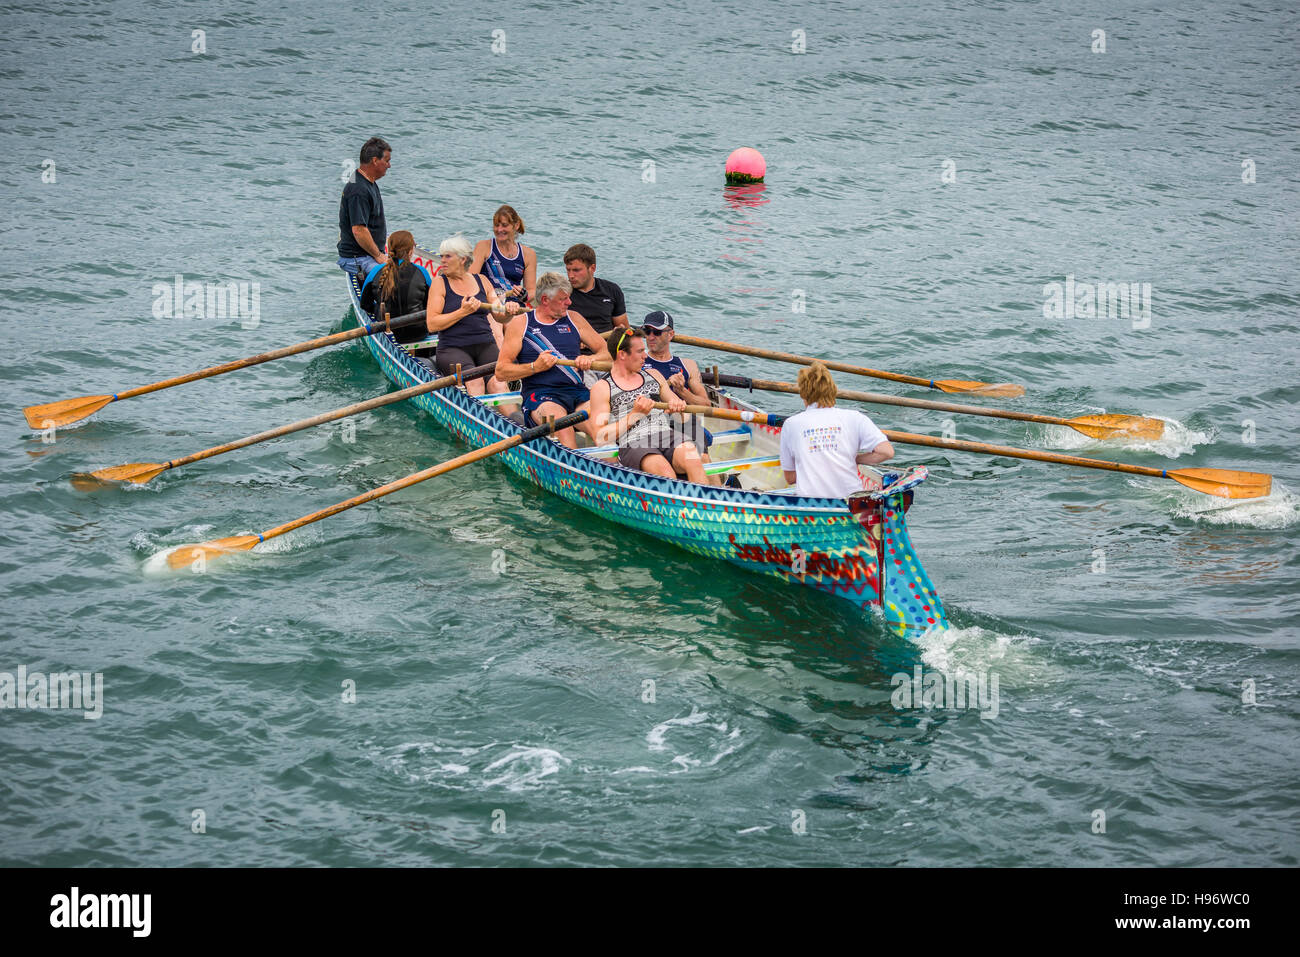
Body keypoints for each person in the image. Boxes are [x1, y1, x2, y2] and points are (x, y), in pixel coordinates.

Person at [495, 272, 611, 448]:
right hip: (541, 395)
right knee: (562, 426)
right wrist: (535, 367)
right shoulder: (521, 324)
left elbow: (607, 353)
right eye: (563, 299)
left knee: (602, 428)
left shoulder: (574, 319)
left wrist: (590, 358)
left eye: (568, 298)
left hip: (577, 392)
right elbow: (501, 371)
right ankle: (571, 471)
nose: (569, 303)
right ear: (545, 300)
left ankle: (611, 471)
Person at [588, 328, 715, 484]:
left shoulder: (653, 374)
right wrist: (635, 414)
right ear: (622, 354)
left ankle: (703, 505)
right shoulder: (602, 387)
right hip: (633, 442)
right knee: (666, 474)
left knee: (694, 459)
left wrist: (679, 408)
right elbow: (599, 437)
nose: (645, 356)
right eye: (640, 351)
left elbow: (684, 416)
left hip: (665, 433)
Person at [779, 362, 895, 499]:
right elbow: (887, 452)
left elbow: (790, 478)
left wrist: (813, 465)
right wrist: (855, 459)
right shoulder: (855, 417)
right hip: (852, 502)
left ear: (803, 394)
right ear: (833, 390)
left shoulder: (791, 424)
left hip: (811, 505)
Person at [426, 236, 518, 396]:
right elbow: (432, 324)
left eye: (447, 256)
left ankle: (510, 420)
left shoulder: (482, 281)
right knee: (475, 381)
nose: (442, 261)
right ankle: (477, 417)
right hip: (452, 348)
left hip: (485, 344)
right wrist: (463, 312)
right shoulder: (439, 283)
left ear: (463, 259)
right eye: (441, 256)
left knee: (499, 383)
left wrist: (508, 313)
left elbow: (499, 316)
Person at [359, 231, 430, 344]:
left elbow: (364, 304)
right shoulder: (422, 272)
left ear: (389, 249)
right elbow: (429, 304)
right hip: (418, 333)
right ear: (411, 251)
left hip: (386, 333)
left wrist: (379, 309)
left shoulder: (376, 271)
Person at [336, 137, 391, 277]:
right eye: (387, 160)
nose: (389, 165)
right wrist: (379, 256)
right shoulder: (358, 190)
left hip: (368, 254)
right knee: (392, 279)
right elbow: (359, 230)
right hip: (357, 258)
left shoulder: (369, 182)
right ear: (375, 161)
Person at [470, 205, 536, 306]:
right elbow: (471, 280)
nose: (499, 230)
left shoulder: (529, 254)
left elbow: (531, 291)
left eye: (504, 225)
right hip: (490, 304)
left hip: (514, 306)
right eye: (496, 225)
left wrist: (524, 295)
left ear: (516, 225)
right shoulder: (483, 247)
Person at [563, 243, 629, 337]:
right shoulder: (562, 293)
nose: (571, 276)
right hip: (575, 346)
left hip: (606, 345)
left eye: (576, 270)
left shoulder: (612, 290)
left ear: (592, 268)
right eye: (568, 270)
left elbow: (624, 329)